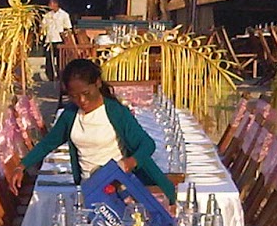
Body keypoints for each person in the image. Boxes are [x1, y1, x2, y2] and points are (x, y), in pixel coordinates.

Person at [21, 57, 176, 205]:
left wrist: (130, 163)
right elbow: (47, 144)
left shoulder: (115, 112)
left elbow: (147, 145)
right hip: (88, 188)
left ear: (97, 83)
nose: (81, 100)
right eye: (74, 96)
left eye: (86, 93)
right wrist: (21, 166)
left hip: (119, 187)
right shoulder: (70, 115)